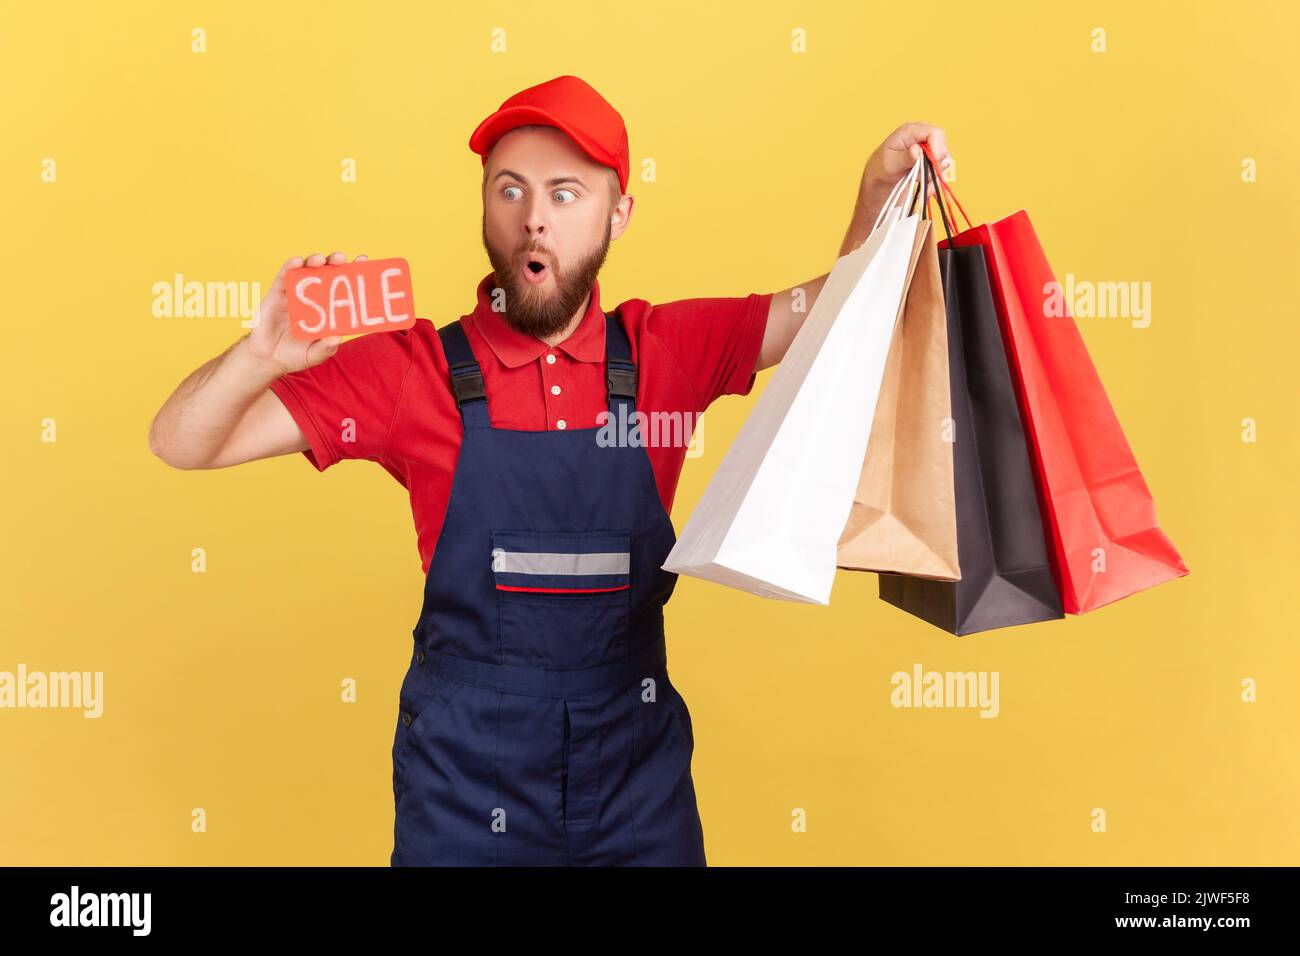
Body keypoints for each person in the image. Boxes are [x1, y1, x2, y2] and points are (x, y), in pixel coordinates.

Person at [148, 74, 953, 866]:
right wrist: (260, 356)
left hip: (636, 778)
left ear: (618, 213)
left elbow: (836, 312)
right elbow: (182, 442)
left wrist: (879, 202)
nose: (534, 221)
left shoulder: (667, 352)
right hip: (463, 783)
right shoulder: (411, 369)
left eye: (565, 194)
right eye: (510, 191)